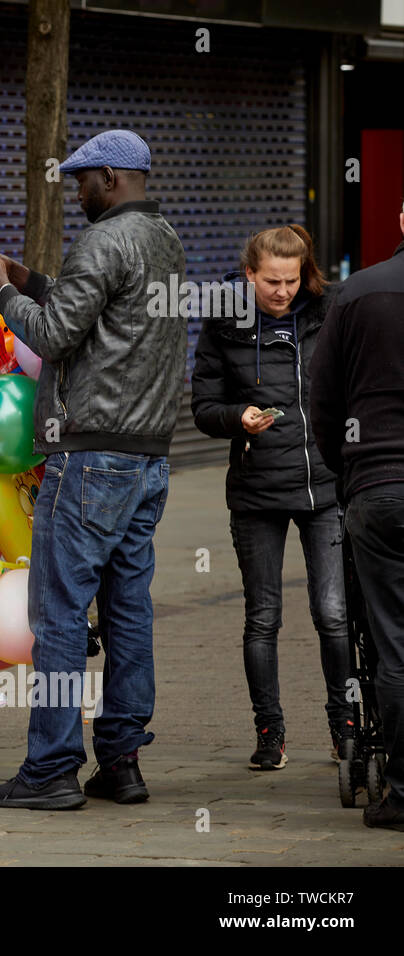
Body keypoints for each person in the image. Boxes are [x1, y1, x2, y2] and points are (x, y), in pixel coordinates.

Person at [0, 130, 186, 810]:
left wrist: (2, 292)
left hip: (91, 456)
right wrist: (30, 279)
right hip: (147, 457)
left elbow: (56, 334)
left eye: (84, 181)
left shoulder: (102, 240)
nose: (78, 191)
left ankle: (52, 768)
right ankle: (121, 761)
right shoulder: (167, 241)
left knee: (58, 614)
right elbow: (91, 310)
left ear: (112, 180)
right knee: (127, 611)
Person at [190, 225, 353, 771]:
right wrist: (237, 417)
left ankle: (345, 729)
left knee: (333, 614)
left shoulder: (330, 314)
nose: (282, 292)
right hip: (257, 490)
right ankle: (270, 733)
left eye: (292, 280)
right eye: (271, 282)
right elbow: (203, 406)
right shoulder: (224, 326)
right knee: (263, 617)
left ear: (305, 274)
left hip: (325, 486)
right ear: (249, 276)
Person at [310, 202, 404, 831]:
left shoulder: (356, 294)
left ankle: (402, 787)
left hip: (378, 485)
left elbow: (324, 403)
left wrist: (348, 470)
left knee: (391, 641)